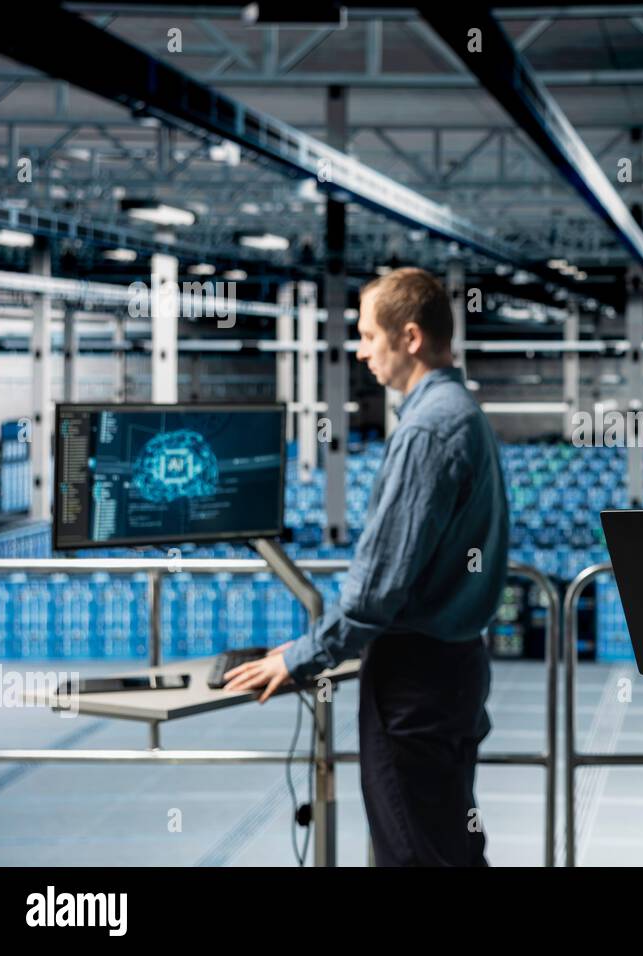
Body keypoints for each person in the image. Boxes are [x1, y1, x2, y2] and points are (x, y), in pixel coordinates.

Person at [224, 267, 510, 867]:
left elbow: (378, 589)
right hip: (455, 670)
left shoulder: (427, 431)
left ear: (409, 337)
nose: (360, 351)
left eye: (367, 336)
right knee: (449, 846)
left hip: (413, 682)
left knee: (413, 854)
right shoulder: (462, 413)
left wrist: (303, 655)